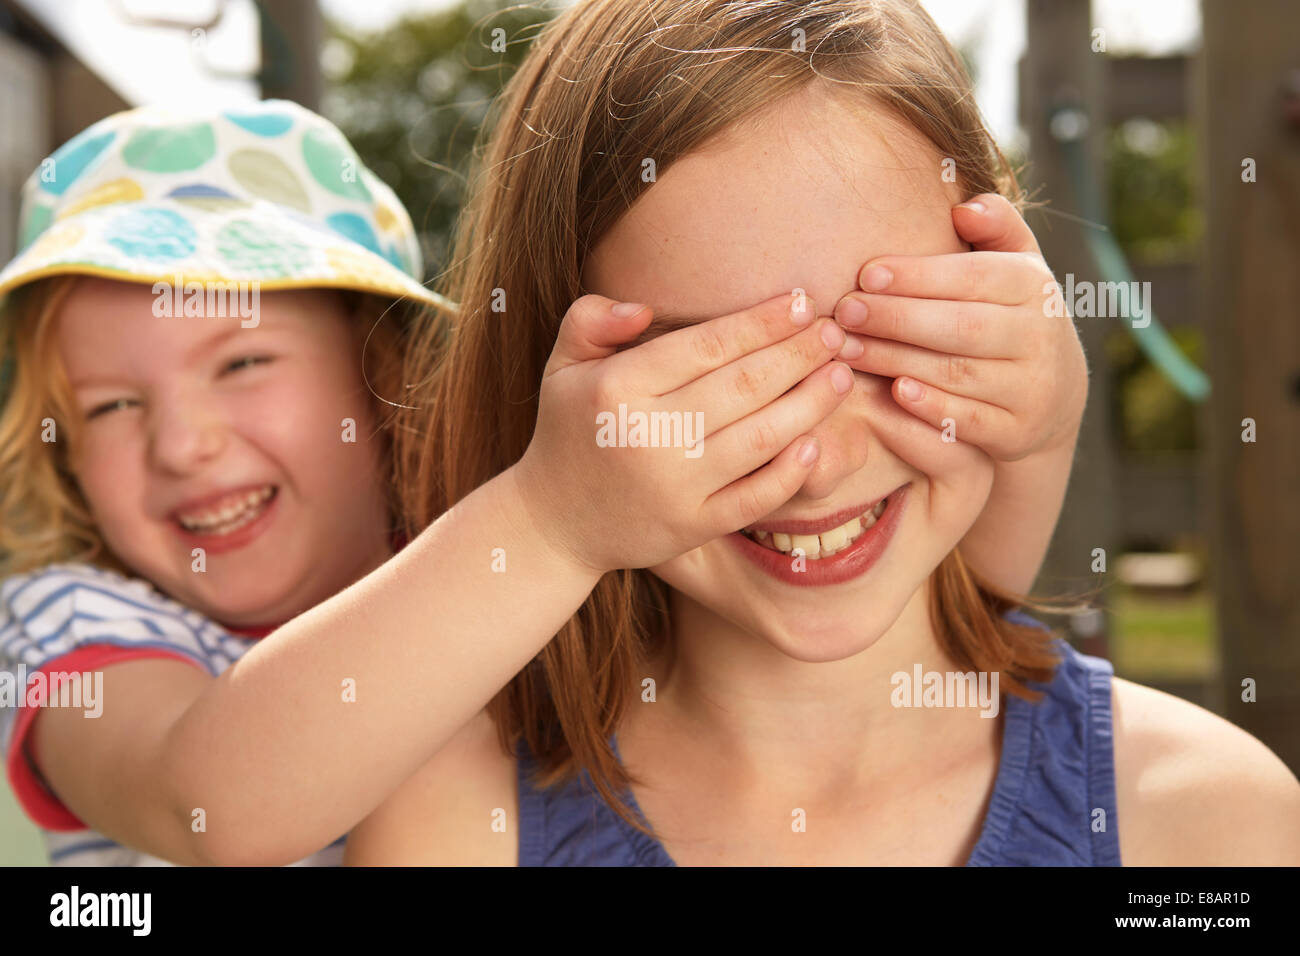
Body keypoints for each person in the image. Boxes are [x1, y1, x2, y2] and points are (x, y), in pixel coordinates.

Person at [343, 0, 1300, 865]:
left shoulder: (1205, 825)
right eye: (716, 380)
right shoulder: (455, 829)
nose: (814, 467)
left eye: (888, 342)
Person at [0, 99, 452, 865]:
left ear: (385, 369)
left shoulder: (483, 577)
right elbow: (211, 807)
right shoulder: (68, 622)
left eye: (241, 363)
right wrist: (543, 527)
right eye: (108, 405)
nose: (180, 446)